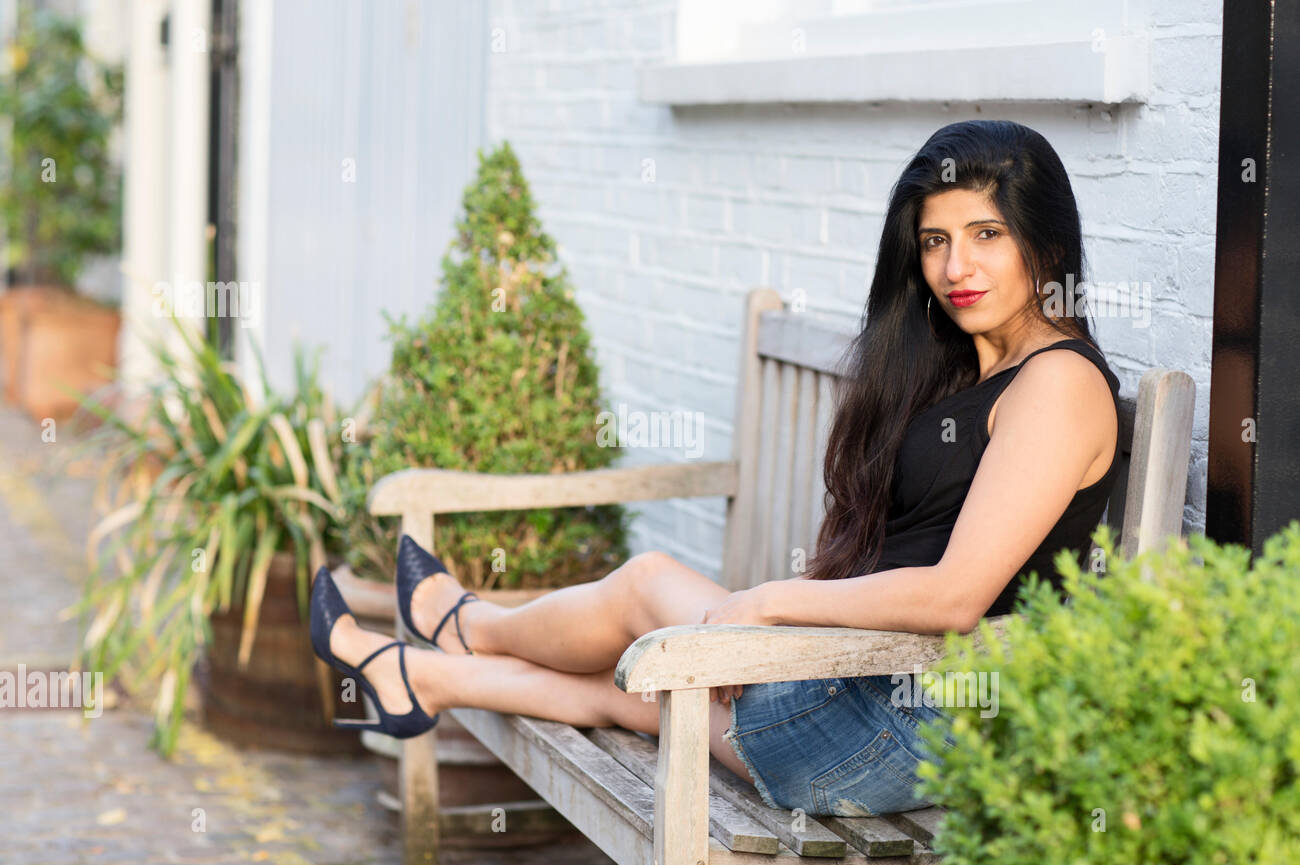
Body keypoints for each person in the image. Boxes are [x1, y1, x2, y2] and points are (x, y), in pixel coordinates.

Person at [308, 119, 1121, 818]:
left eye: (987, 235)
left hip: (904, 725)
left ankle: (463, 627)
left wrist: (770, 602)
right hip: (875, 688)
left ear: (1044, 242)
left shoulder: (1057, 384)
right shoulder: (977, 372)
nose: (955, 269)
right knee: (631, 682)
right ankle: (421, 674)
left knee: (644, 600)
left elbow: (955, 596)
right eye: (936, 241)